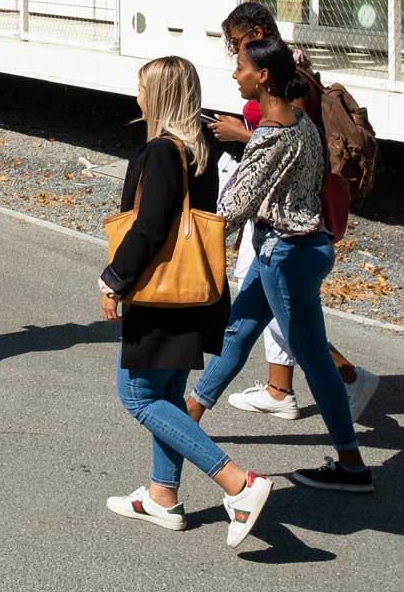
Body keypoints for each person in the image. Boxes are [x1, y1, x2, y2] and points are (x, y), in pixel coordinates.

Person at [97, 55, 273, 546]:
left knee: (138, 395)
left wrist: (114, 279)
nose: (136, 94)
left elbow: (150, 227)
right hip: (194, 290)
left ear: (158, 95)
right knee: (169, 394)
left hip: (159, 291)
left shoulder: (160, 152)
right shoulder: (201, 150)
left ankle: (238, 483)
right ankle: (162, 495)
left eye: (141, 86)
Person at [187, 36, 374, 494]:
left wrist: (184, 238)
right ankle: (186, 416)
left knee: (313, 359)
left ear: (263, 76)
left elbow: (233, 207)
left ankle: (351, 464)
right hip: (297, 247)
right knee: (237, 332)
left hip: (284, 255)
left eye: (242, 67)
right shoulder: (300, 124)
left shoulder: (270, 138)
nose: (236, 74)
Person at [210, 3, 377, 423]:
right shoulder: (281, 69)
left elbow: (292, 138)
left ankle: (348, 382)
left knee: (289, 323)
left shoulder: (291, 81)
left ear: (260, 34)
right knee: (260, 319)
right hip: (280, 217)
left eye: (237, 44)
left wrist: (241, 135)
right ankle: (278, 389)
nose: (234, 58)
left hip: (286, 219)